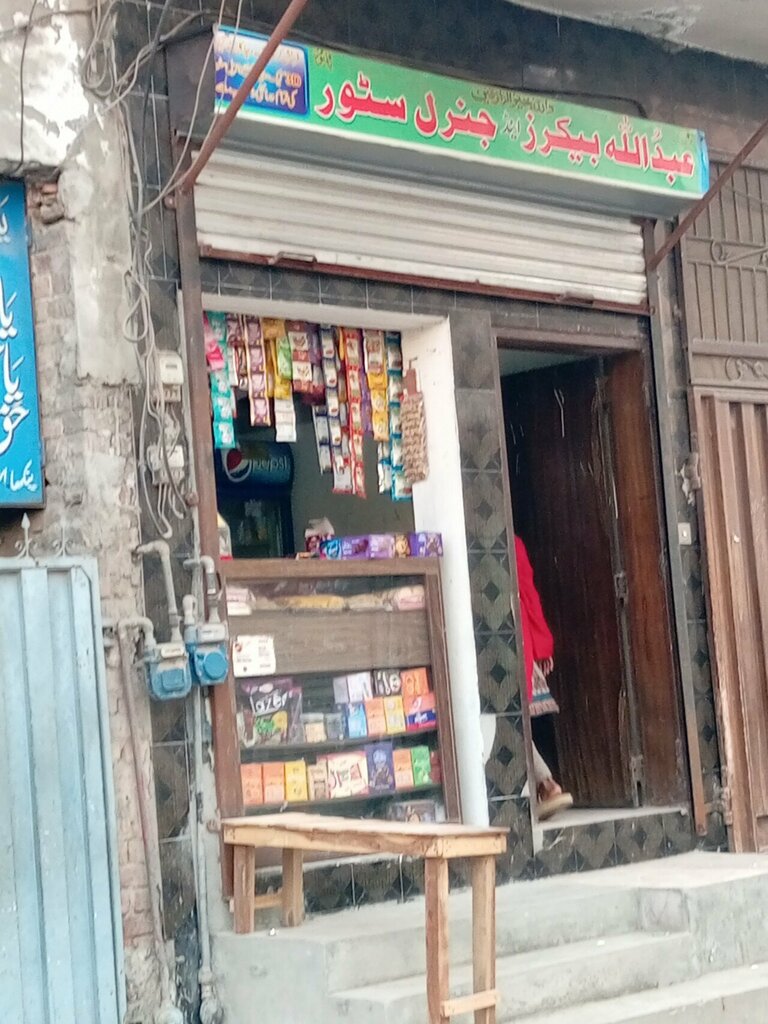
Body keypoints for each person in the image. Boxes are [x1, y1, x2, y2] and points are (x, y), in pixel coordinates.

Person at [514, 534, 574, 821]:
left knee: (513, 723)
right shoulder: (513, 543)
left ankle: (545, 785)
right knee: (517, 722)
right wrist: (541, 643)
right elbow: (527, 592)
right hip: (520, 638)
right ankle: (545, 785)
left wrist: (541, 643)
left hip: (508, 641)